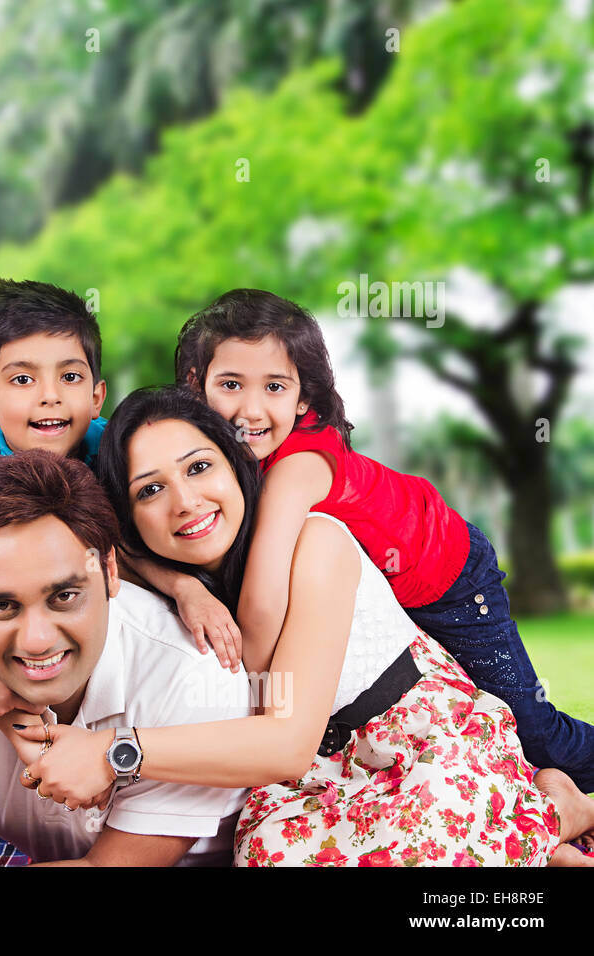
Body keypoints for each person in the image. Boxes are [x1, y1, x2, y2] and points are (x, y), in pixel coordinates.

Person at [18, 386, 594, 866]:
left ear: (235, 465)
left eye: (199, 467)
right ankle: (535, 846)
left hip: (415, 735)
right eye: (151, 489)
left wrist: (114, 751)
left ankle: (557, 808)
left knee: (424, 844)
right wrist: (183, 586)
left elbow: (286, 742)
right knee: (268, 851)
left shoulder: (317, 540)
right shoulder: (165, 584)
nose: (186, 501)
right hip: (317, 773)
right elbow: (95, 550)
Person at [164, 288, 594, 793]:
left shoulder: (296, 468)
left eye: (275, 387)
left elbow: (262, 597)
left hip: (451, 578)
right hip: (391, 593)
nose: (251, 410)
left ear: (304, 397)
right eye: (231, 384)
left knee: (532, 732)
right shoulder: (214, 455)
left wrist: (239, 688)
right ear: (197, 385)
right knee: (463, 722)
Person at [0, 278, 238, 844]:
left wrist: (183, 586)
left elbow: (120, 545)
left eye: (68, 377)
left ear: (96, 396)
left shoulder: (122, 452)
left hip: (145, 664)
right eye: (23, 379)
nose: (49, 396)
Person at [0, 450, 252, 866]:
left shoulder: (188, 671)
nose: (35, 641)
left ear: (109, 572)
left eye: (64, 597)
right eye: (1, 606)